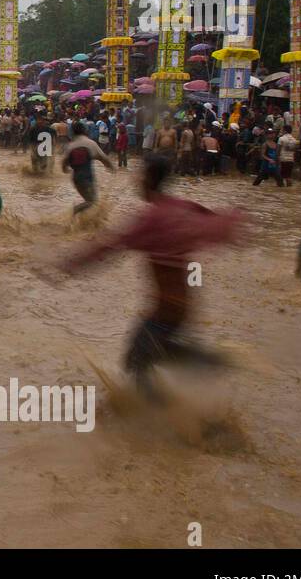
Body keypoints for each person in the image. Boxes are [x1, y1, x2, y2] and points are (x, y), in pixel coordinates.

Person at [63, 156, 239, 400]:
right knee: (154, 353)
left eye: (141, 175)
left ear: (149, 180)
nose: (137, 180)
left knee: (136, 361)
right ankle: (206, 365)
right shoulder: (182, 207)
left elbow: (109, 247)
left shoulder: (151, 219)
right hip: (182, 306)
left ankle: (163, 414)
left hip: (164, 311)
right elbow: (216, 220)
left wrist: (70, 264)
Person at [62, 122, 115, 214]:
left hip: (76, 178)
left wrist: (65, 170)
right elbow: (103, 158)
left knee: (89, 201)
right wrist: (110, 167)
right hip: (87, 177)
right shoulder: (91, 143)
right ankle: (75, 211)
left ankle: (82, 222)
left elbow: (64, 164)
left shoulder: (70, 145)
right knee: (93, 202)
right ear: (84, 131)